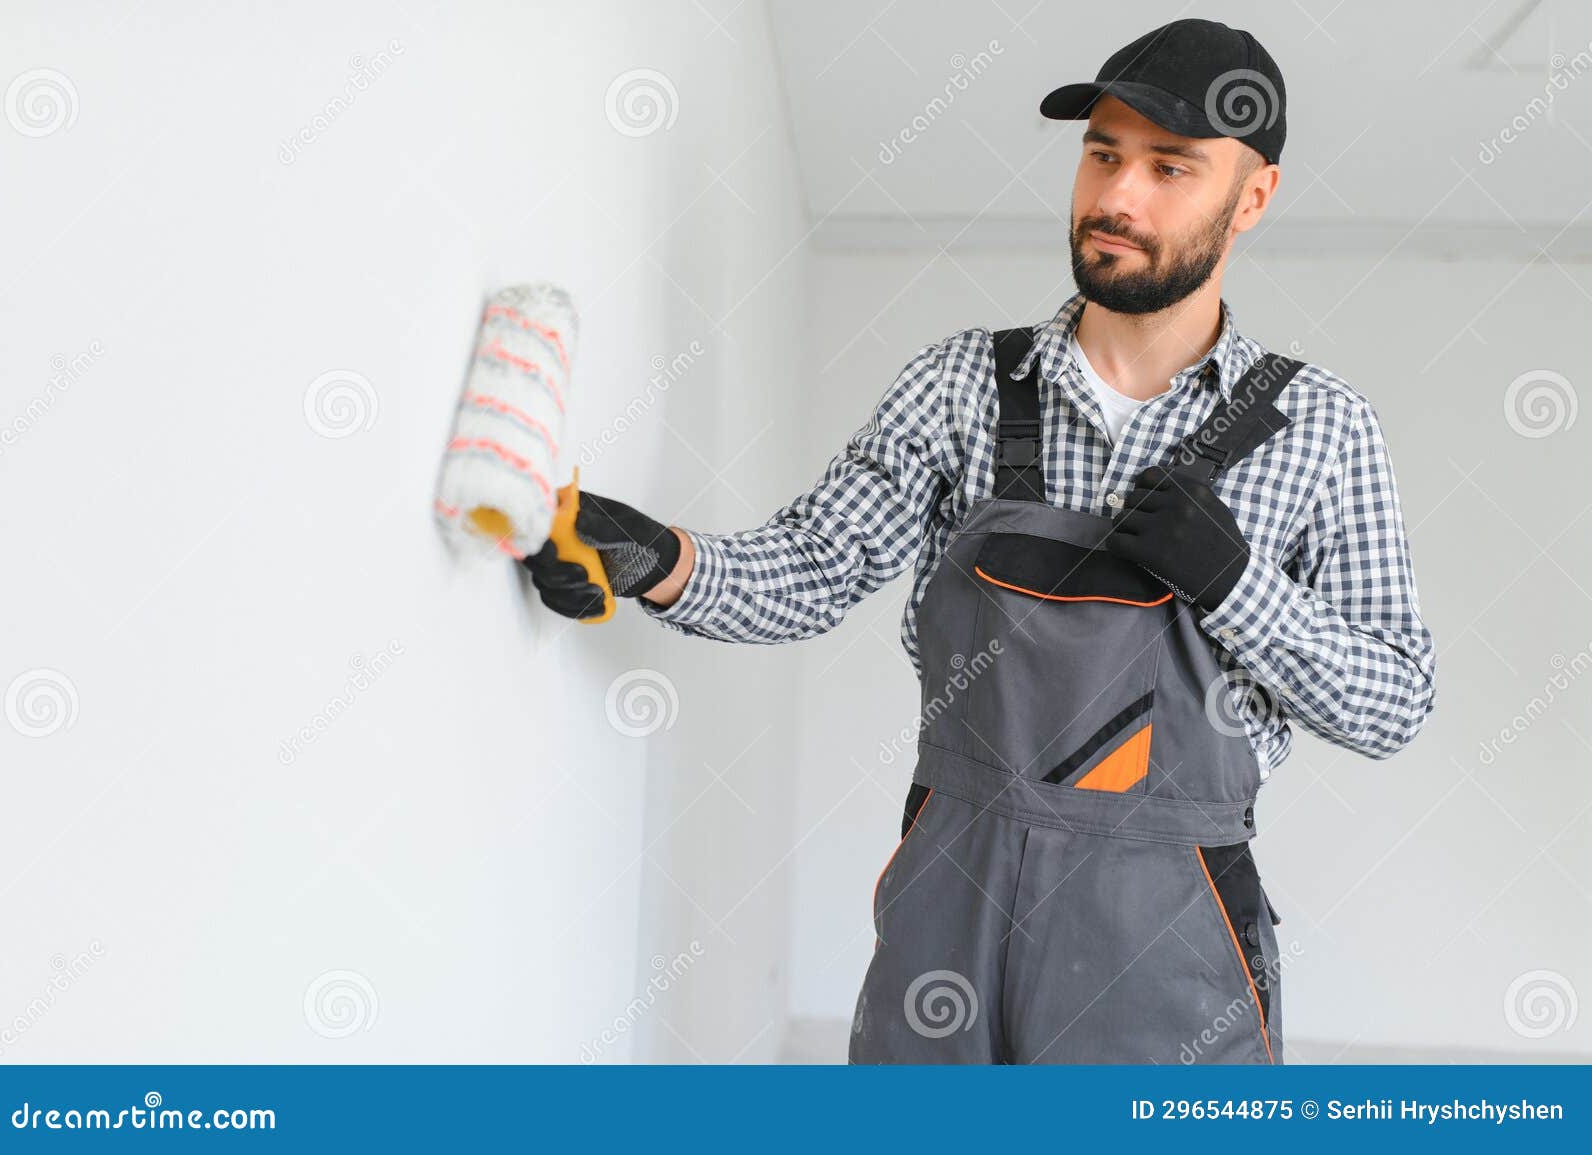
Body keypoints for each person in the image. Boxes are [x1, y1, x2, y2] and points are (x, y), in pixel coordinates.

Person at [524, 17, 1436, 1064]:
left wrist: (1237, 586)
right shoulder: (962, 384)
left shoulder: (1320, 429)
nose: (1117, 197)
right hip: (950, 894)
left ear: (1253, 199)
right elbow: (817, 565)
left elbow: (1392, 704)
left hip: (1168, 930)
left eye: (1169, 168)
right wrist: (660, 562)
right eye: (1102, 153)